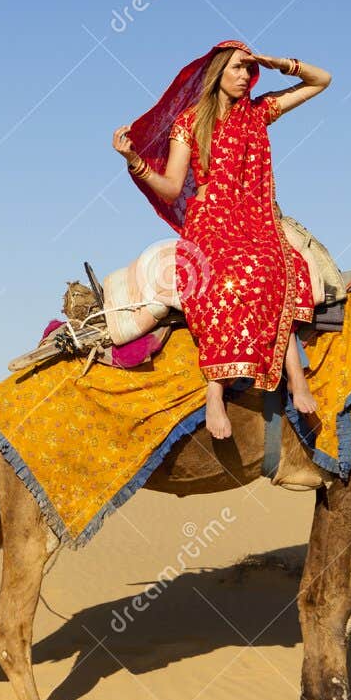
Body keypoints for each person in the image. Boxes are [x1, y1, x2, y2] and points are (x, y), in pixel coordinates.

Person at [113, 40, 331, 439]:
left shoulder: (259, 113)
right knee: (228, 279)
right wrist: (136, 163)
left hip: (257, 218)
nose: (244, 76)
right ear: (217, 73)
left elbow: (322, 80)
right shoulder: (190, 122)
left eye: (250, 69)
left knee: (281, 267)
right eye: (236, 68)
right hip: (210, 219)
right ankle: (215, 391)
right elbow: (171, 186)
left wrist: (279, 62)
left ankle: (296, 378)